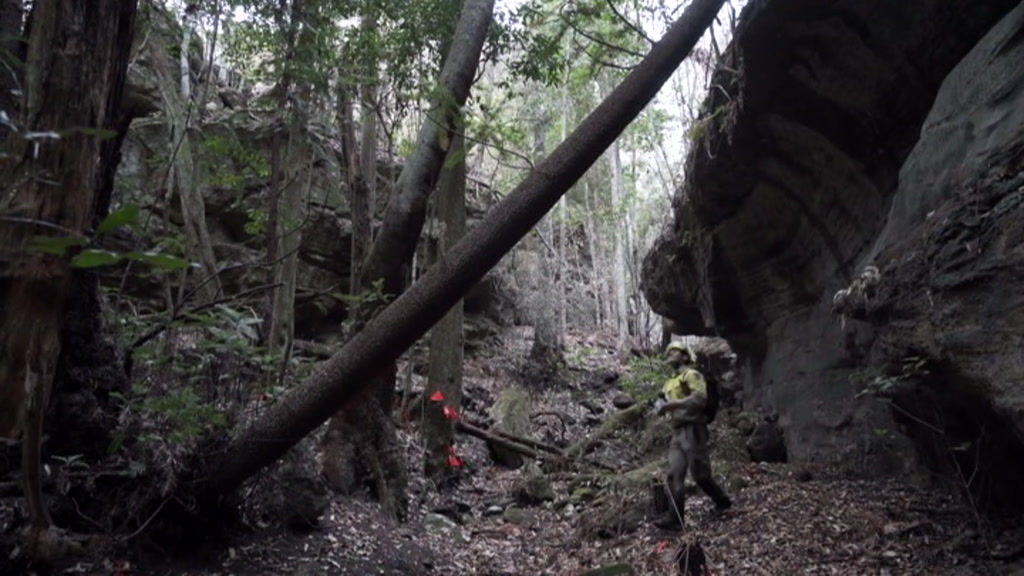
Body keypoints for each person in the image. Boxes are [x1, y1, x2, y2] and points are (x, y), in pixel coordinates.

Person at [652, 342, 731, 530]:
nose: (670, 354)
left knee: (701, 475)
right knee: (673, 475)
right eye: (668, 352)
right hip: (677, 432)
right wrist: (661, 407)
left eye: (675, 352)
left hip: (693, 428)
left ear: (685, 356)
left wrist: (671, 405)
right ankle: (675, 519)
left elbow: (699, 398)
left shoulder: (691, 375)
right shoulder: (669, 383)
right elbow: (662, 407)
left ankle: (723, 502)